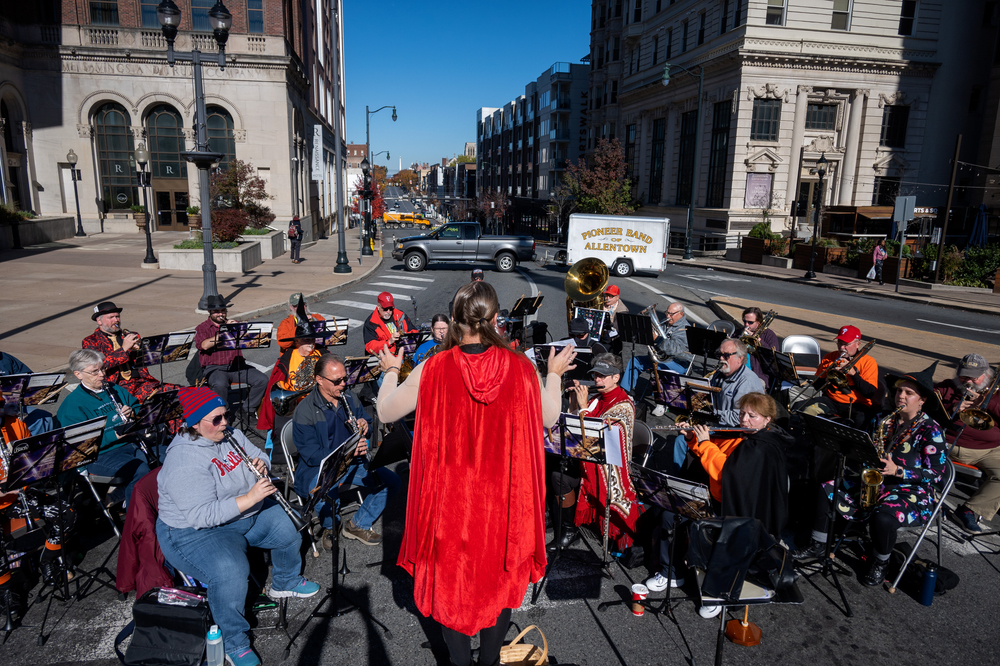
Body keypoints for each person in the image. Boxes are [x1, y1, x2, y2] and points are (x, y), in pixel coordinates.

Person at [375, 281, 575, 666]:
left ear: (455, 320)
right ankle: (488, 662)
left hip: (449, 502)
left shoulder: (433, 367)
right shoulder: (521, 367)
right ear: (496, 319)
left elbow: (385, 412)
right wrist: (554, 374)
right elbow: (550, 417)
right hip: (502, 500)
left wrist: (389, 371)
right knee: (499, 579)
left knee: (452, 582)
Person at [156, 387, 319, 666]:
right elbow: (201, 516)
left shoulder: (230, 434)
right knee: (230, 571)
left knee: (288, 526)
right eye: (216, 419)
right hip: (194, 533)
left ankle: (285, 581)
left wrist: (262, 464)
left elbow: (261, 454)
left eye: (226, 415)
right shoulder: (183, 460)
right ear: (194, 423)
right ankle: (234, 642)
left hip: (241, 514)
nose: (225, 423)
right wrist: (250, 497)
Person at [793, 366, 948, 587]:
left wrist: (900, 471)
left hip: (912, 491)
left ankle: (880, 562)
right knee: (827, 486)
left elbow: (935, 474)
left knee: (883, 516)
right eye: (898, 391)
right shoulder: (883, 419)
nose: (900, 397)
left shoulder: (931, 430)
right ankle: (818, 543)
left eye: (908, 393)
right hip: (877, 483)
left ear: (922, 399)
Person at [648, 393, 789, 617]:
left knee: (715, 537)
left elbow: (727, 474)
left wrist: (704, 443)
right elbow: (711, 456)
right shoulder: (742, 434)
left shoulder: (762, 446)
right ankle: (671, 572)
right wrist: (692, 438)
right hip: (718, 498)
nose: (744, 420)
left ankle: (717, 593)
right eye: (742, 413)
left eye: (752, 416)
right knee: (670, 514)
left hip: (739, 512)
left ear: (767, 420)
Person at [292, 354, 401, 548]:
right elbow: (311, 454)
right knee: (321, 492)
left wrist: (365, 426)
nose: (343, 384)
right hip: (320, 468)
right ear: (319, 380)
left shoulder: (348, 396)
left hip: (353, 461)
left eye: (345, 378)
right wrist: (345, 451)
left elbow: (365, 422)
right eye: (337, 381)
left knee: (392, 482)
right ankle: (330, 526)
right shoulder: (305, 410)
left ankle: (357, 524)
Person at [564, 354, 639, 554]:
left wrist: (582, 406)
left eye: (603, 376)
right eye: (596, 375)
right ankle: (567, 528)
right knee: (557, 474)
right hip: (590, 456)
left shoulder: (624, 405)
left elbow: (597, 436)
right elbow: (575, 427)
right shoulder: (597, 398)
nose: (597, 379)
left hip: (611, 465)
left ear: (616, 377)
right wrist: (573, 398)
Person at [56, 349, 148, 505]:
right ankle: (136, 519)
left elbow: (139, 408)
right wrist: (114, 435)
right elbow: (79, 445)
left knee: (165, 458)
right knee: (140, 470)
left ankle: (124, 496)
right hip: (101, 454)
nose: (102, 374)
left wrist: (132, 412)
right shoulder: (72, 405)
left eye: (102, 368)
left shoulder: (113, 388)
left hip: (130, 443)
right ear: (78, 374)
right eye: (94, 371)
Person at [671, 339, 765, 471]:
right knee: (683, 437)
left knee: (681, 441)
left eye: (726, 355)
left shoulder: (746, 382)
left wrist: (710, 414)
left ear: (740, 358)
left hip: (733, 433)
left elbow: (739, 416)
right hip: (717, 425)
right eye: (719, 355)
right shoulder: (719, 375)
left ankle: (681, 479)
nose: (721, 358)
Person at [935, 353, 1000, 533]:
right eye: (964, 375)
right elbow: (925, 408)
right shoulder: (946, 388)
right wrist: (950, 409)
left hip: (988, 450)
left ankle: (970, 510)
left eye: (974, 377)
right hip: (949, 445)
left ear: (986, 376)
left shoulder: (996, 393)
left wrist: (989, 403)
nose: (968, 381)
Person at [82, 301, 178, 403]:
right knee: (157, 403)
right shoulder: (90, 341)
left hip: (141, 382)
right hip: (116, 387)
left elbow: (150, 359)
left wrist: (142, 351)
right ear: (99, 321)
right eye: (111, 317)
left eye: (117, 317)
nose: (116, 320)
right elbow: (98, 366)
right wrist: (123, 349)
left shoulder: (130, 335)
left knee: (179, 392)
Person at [194, 295, 268, 417]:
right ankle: (224, 413)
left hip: (237, 366)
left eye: (223, 311)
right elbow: (204, 345)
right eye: (216, 311)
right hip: (215, 368)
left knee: (262, 380)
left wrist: (242, 329)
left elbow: (251, 339)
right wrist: (225, 333)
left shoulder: (233, 324)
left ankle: (247, 410)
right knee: (220, 385)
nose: (220, 314)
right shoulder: (202, 328)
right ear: (209, 312)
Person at [621, 303, 690, 414]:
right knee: (635, 361)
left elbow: (677, 350)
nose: (668, 316)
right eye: (667, 313)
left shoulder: (685, 330)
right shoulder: (665, 323)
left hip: (678, 363)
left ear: (681, 314)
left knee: (660, 370)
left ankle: (661, 403)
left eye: (671, 314)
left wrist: (658, 340)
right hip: (662, 359)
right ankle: (627, 393)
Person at [256, 322, 325, 433]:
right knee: (281, 429)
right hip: (295, 405)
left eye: (313, 339)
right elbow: (278, 386)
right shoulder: (286, 359)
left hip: (319, 401)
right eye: (307, 340)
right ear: (297, 341)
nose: (311, 344)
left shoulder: (321, 354)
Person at [808, 325, 879, 427]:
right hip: (831, 401)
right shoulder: (829, 357)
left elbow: (869, 393)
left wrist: (853, 374)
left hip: (855, 404)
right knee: (801, 408)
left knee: (860, 421)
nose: (842, 347)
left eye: (846, 344)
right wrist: (828, 377)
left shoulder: (868, 362)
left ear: (857, 344)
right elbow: (816, 387)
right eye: (840, 343)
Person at [0, 349, 54, 435]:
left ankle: (37, 447)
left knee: (43, 417)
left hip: (11, 405)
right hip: (3, 410)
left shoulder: (4, 358)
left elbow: (29, 379)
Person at [740, 307, 782, 390]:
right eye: (744, 321)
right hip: (736, 372)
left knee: (747, 388)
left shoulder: (769, 335)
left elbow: (774, 357)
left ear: (758, 323)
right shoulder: (739, 333)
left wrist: (759, 342)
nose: (746, 325)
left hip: (758, 375)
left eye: (750, 322)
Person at [363, 292, 416, 356]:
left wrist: (407, 338)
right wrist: (389, 342)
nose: (388, 312)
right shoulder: (371, 322)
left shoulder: (400, 315)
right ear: (378, 307)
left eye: (391, 308)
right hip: (387, 358)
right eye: (385, 309)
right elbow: (370, 347)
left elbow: (414, 332)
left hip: (404, 354)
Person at [601, 284, 629, 353]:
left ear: (617, 297)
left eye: (611, 296)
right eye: (606, 296)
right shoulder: (602, 304)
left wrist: (605, 315)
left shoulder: (622, 311)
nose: (607, 298)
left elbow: (616, 329)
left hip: (612, 342)